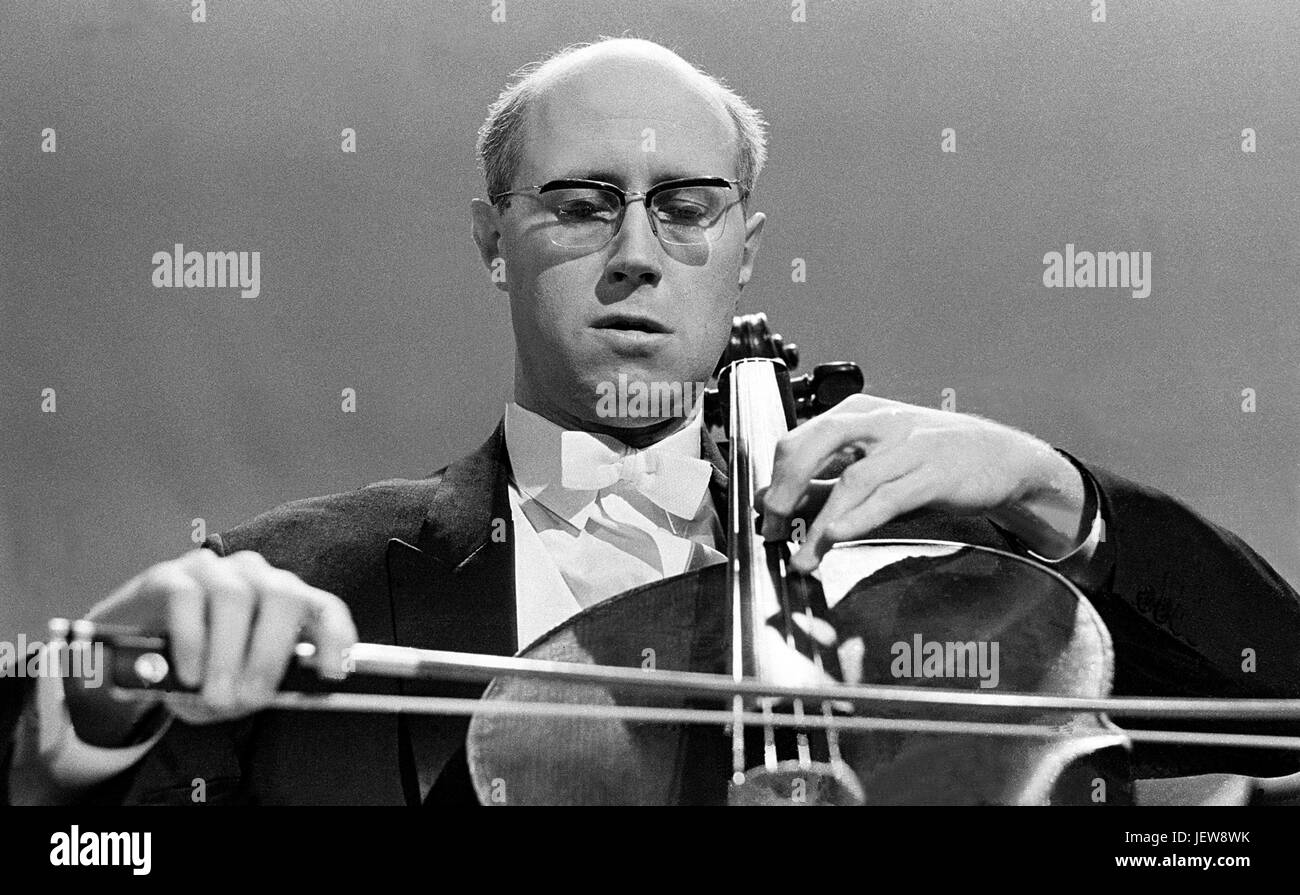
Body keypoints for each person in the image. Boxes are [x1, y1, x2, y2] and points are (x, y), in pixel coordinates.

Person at [5, 37, 1299, 806]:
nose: (636, 252)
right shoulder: (292, 589)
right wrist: (86, 708)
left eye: (686, 206)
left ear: (746, 248)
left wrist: (1064, 503)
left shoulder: (958, 593)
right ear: (490, 243)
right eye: (579, 203)